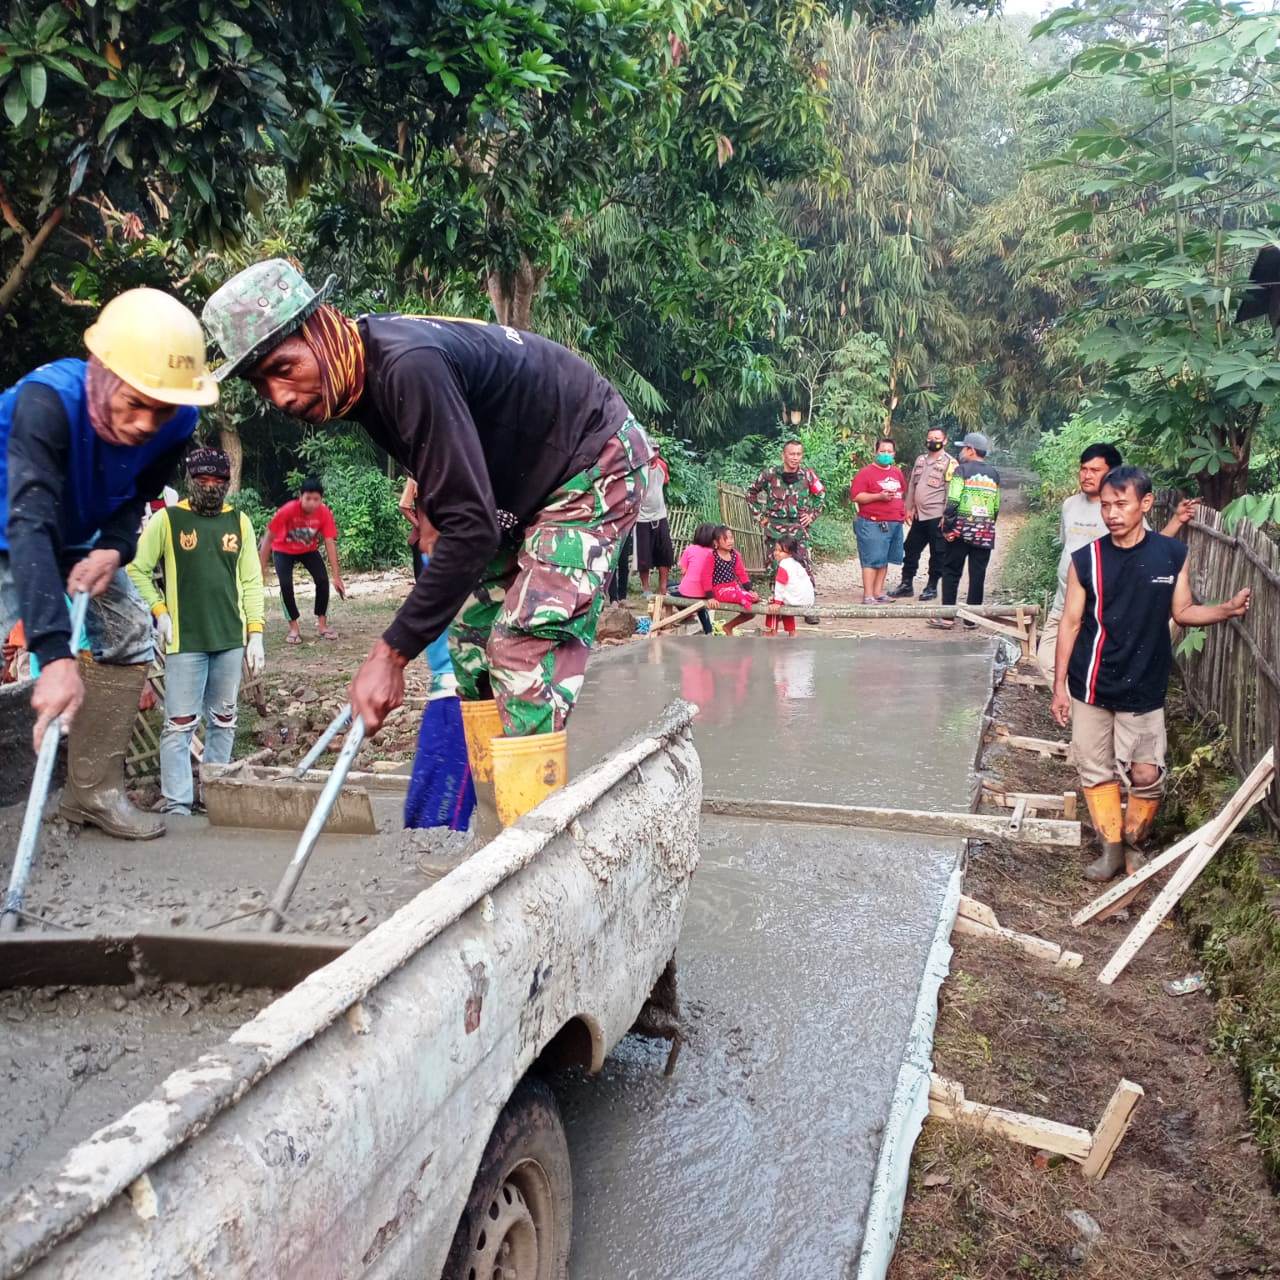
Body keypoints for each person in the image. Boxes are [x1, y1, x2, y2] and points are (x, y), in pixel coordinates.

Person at [203, 258, 653, 826]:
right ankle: (498, 824)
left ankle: (536, 845)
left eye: (284, 367)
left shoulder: (407, 366)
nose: (281, 397)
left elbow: (472, 529)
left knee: (520, 649)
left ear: (321, 328)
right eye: (262, 384)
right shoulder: (363, 377)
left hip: (595, 463)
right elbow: (455, 486)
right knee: (469, 639)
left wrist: (389, 654)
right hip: (526, 484)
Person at [0, 288, 215, 839]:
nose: (146, 423)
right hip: (13, 527)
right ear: (100, 370)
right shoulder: (46, 405)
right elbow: (29, 523)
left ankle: (92, 794)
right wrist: (53, 655)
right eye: (134, 401)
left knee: (128, 630)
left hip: (78, 533)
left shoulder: (177, 423)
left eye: (160, 407)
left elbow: (137, 496)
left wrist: (115, 548)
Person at [1051, 465, 1250, 882]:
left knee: (1146, 773)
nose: (1111, 514)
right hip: (1091, 681)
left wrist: (1225, 610)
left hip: (1144, 681)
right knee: (1095, 767)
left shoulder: (1170, 554)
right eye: (1105, 506)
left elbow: (1183, 611)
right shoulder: (1086, 560)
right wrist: (1059, 687)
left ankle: (1134, 841)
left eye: (1121, 504)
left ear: (1144, 504)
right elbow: (1070, 625)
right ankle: (1111, 850)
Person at [126, 448, 266, 815]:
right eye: (202, 481)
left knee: (224, 721)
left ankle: (214, 795)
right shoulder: (168, 520)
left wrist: (256, 633)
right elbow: (136, 569)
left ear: (227, 483)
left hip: (228, 639)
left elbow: (251, 580)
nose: (210, 487)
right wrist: (160, 611)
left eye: (217, 481)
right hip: (184, 639)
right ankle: (178, 804)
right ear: (190, 480)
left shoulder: (240, 523)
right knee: (179, 725)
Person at [1035, 442, 1196, 679]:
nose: (1086, 475)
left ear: (1111, 473)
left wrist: (1176, 522)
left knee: (1097, 666)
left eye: (1094, 470)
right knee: (1047, 661)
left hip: (1102, 608)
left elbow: (1149, 548)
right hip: (1064, 603)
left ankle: (1086, 708)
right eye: (1083, 469)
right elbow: (1067, 547)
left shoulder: (1120, 512)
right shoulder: (1069, 506)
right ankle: (1078, 707)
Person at [260, 477, 347, 644]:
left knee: (322, 580)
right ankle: (294, 628)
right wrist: (260, 568)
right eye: (308, 498)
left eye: (316, 499)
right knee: (286, 585)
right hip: (282, 550)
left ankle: (322, 625)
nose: (312, 503)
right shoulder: (288, 510)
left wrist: (336, 576)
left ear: (321, 499)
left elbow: (330, 542)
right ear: (300, 497)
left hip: (308, 550)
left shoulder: (324, 513)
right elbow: (268, 538)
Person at [747, 439, 824, 623]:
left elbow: (821, 496)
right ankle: (778, 608)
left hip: (799, 530)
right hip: (775, 530)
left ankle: (809, 608)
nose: (795, 458)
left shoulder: (808, 476)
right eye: (791, 454)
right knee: (775, 569)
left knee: (804, 567)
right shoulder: (770, 475)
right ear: (783, 455)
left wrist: (811, 515)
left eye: (798, 454)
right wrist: (760, 517)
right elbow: (750, 494)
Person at [929, 432, 1001, 630]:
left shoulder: (962, 470)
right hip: (984, 532)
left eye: (963, 448)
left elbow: (953, 501)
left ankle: (947, 617)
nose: (961, 452)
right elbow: (995, 507)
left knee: (951, 571)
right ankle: (972, 619)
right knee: (978, 574)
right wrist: (986, 526)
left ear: (971, 449)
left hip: (960, 532)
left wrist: (948, 527)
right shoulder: (994, 474)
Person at [890, 426, 954, 600]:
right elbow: (912, 485)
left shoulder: (949, 463)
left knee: (937, 553)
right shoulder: (920, 460)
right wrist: (908, 508)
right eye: (930, 437)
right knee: (910, 549)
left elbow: (950, 491)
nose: (933, 441)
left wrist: (946, 516)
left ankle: (932, 587)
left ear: (945, 440)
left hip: (936, 516)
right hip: (919, 515)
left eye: (937, 438)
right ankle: (906, 584)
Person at [850, 437, 908, 604]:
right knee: (870, 559)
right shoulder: (866, 473)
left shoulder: (896, 472)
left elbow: (901, 492)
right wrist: (879, 496)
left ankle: (878, 592)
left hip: (894, 523)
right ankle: (868, 595)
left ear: (894, 454)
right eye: (882, 451)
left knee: (884, 558)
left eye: (889, 452)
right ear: (875, 452)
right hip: (872, 522)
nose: (886, 454)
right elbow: (856, 496)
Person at [635, 448, 674, 598]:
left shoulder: (662, 466)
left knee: (665, 552)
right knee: (643, 555)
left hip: (660, 515)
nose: (653, 452)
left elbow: (665, 482)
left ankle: (663, 588)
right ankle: (645, 589)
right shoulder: (638, 468)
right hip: (642, 517)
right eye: (651, 449)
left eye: (656, 449)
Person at [670, 522, 717, 634]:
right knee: (700, 605)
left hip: (687, 591)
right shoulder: (714, 553)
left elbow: (684, 571)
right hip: (707, 593)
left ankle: (687, 615)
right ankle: (708, 631)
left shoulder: (689, 549)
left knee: (669, 589)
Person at [709, 526, 756, 634]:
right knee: (742, 598)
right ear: (716, 542)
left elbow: (742, 573)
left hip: (734, 588)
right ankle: (743, 599)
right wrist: (710, 597)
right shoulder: (712, 556)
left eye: (731, 538)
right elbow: (706, 577)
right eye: (726, 539)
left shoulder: (735, 555)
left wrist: (750, 590)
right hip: (719, 591)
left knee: (753, 600)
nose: (730, 541)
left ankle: (728, 626)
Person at [764, 536, 814, 637]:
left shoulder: (784, 564)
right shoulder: (796, 563)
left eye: (780, 551)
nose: (776, 553)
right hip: (807, 600)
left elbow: (780, 586)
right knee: (784, 602)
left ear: (790, 553)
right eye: (776, 550)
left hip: (796, 599)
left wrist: (776, 602)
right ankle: (792, 632)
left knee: (774, 605)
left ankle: (772, 631)